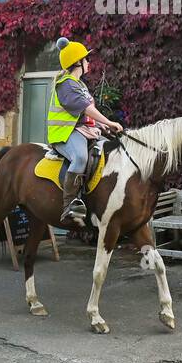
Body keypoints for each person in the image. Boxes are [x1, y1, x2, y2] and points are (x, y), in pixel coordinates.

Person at [48, 37, 122, 224]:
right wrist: (109, 121)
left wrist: (103, 126)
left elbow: (86, 117)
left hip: (82, 131)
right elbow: (86, 109)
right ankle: (68, 206)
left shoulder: (81, 85)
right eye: (86, 59)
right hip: (65, 134)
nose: (89, 62)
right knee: (80, 157)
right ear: (78, 62)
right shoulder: (66, 83)